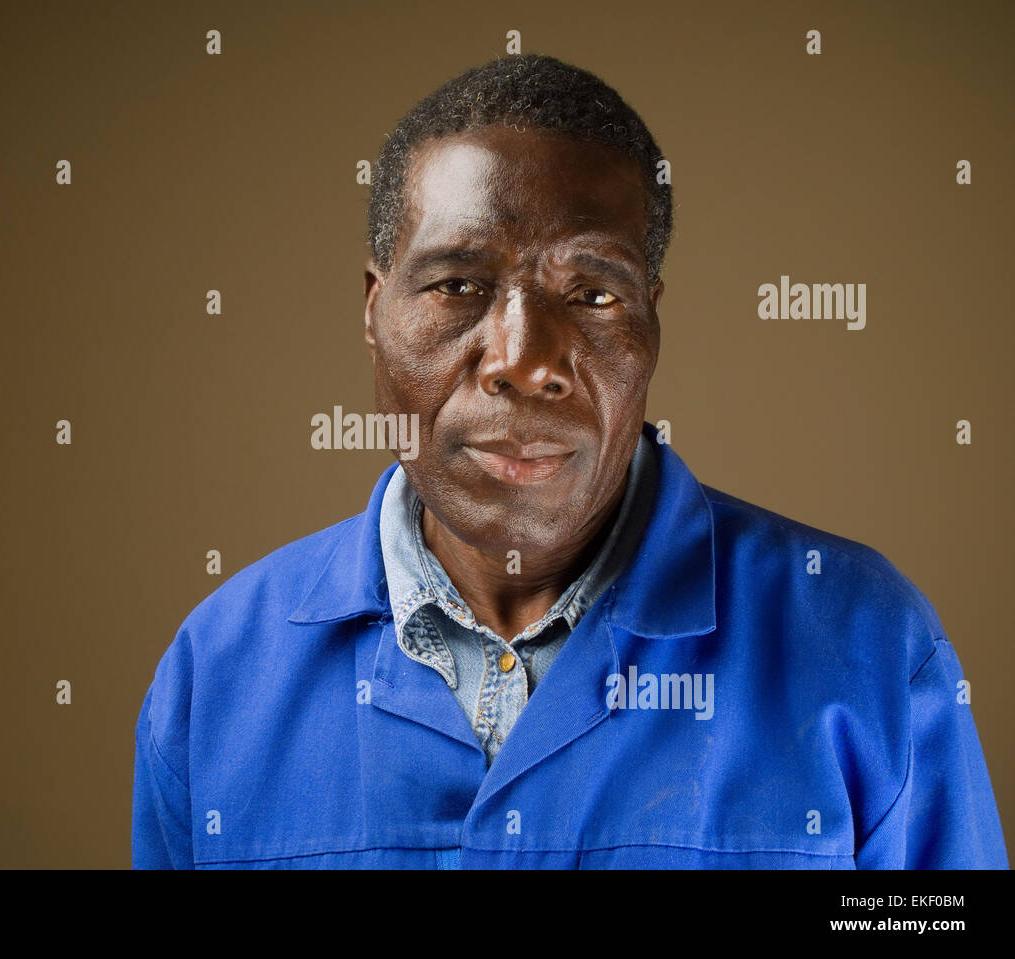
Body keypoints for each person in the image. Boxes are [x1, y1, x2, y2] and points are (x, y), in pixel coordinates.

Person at [132, 53, 1006, 869]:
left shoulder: (868, 647)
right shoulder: (216, 676)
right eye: (457, 285)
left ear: (650, 323)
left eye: (593, 292)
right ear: (375, 309)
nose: (523, 357)